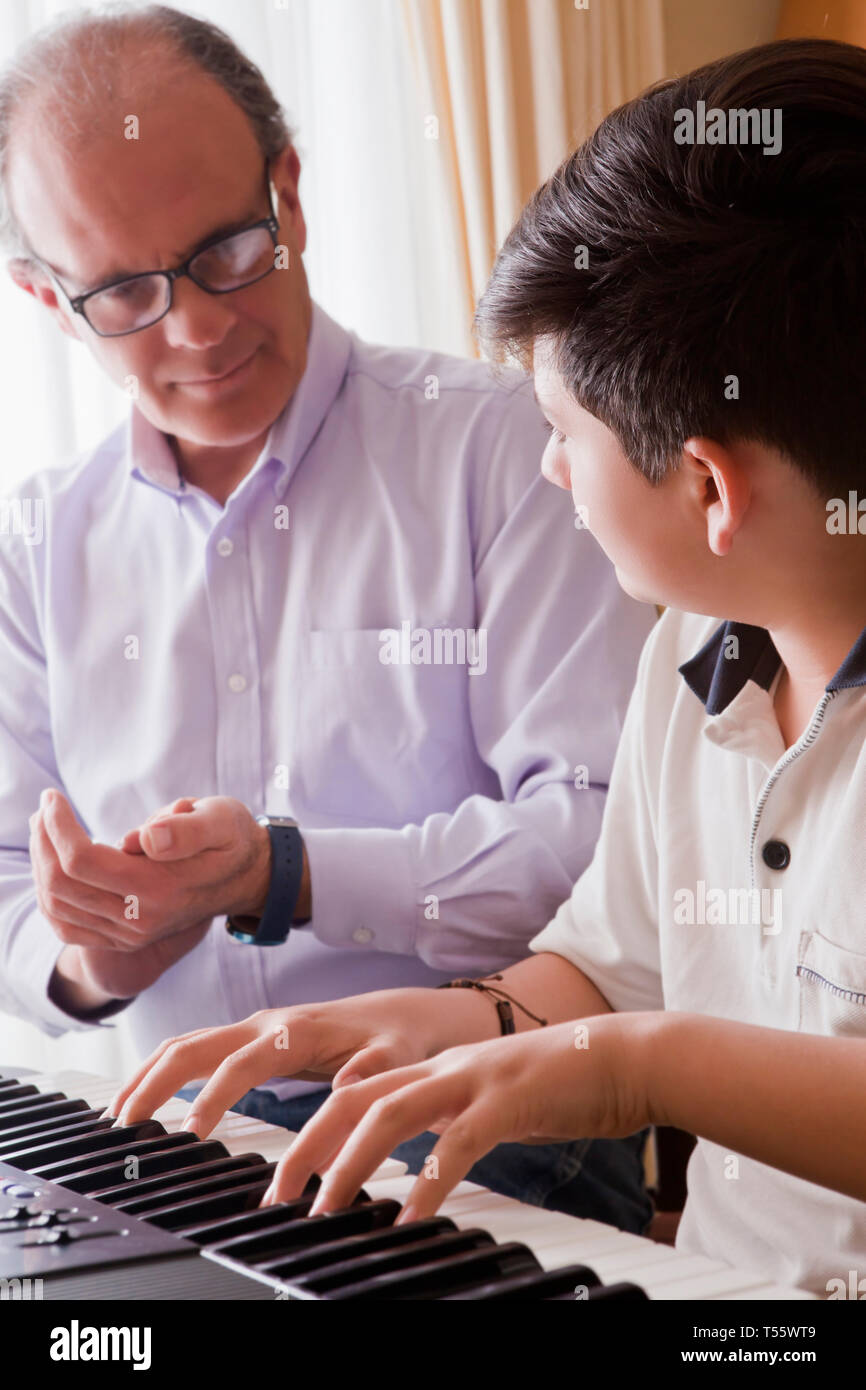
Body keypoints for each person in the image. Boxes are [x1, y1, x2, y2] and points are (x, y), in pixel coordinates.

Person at [112, 36, 866, 1297]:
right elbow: (604, 964)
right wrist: (431, 1021)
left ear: (705, 486)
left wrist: (640, 1067)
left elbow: (635, 1033)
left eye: (561, 429)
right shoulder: (695, 643)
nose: (548, 469)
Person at [0, 4, 655, 1228]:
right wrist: (98, 957)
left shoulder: (510, 450)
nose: (196, 327)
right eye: (127, 293)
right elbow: (10, 912)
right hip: (171, 1129)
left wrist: (284, 872)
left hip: (472, 1108)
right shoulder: (34, 551)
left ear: (289, 194)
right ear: (49, 301)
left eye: (227, 252)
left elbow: (604, 851)